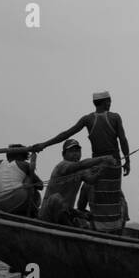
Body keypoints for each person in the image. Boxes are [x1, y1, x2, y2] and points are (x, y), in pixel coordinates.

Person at [33, 91, 131, 232]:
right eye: (110, 101)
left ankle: (100, 228)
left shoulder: (88, 119)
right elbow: (122, 139)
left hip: (97, 165)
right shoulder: (115, 117)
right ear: (107, 102)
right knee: (112, 197)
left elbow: (65, 134)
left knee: (99, 197)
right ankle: (110, 229)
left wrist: (44, 144)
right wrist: (127, 160)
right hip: (112, 164)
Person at [38, 139, 116, 227]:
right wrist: (103, 158)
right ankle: (71, 228)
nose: (75, 153)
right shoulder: (62, 166)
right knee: (56, 198)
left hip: (66, 213)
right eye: (71, 151)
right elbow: (80, 165)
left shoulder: (81, 171)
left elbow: (92, 180)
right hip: (48, 214)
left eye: (77, 151)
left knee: (85, 217)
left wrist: (103, 168)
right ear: (64, 154)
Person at [0, 145, 42, 216]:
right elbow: (40, 185)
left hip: (0, 204)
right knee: (30, 181)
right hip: (20, 200)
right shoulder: (24, 164)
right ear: (20, 156)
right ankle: (31, 213)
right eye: (24, 158)